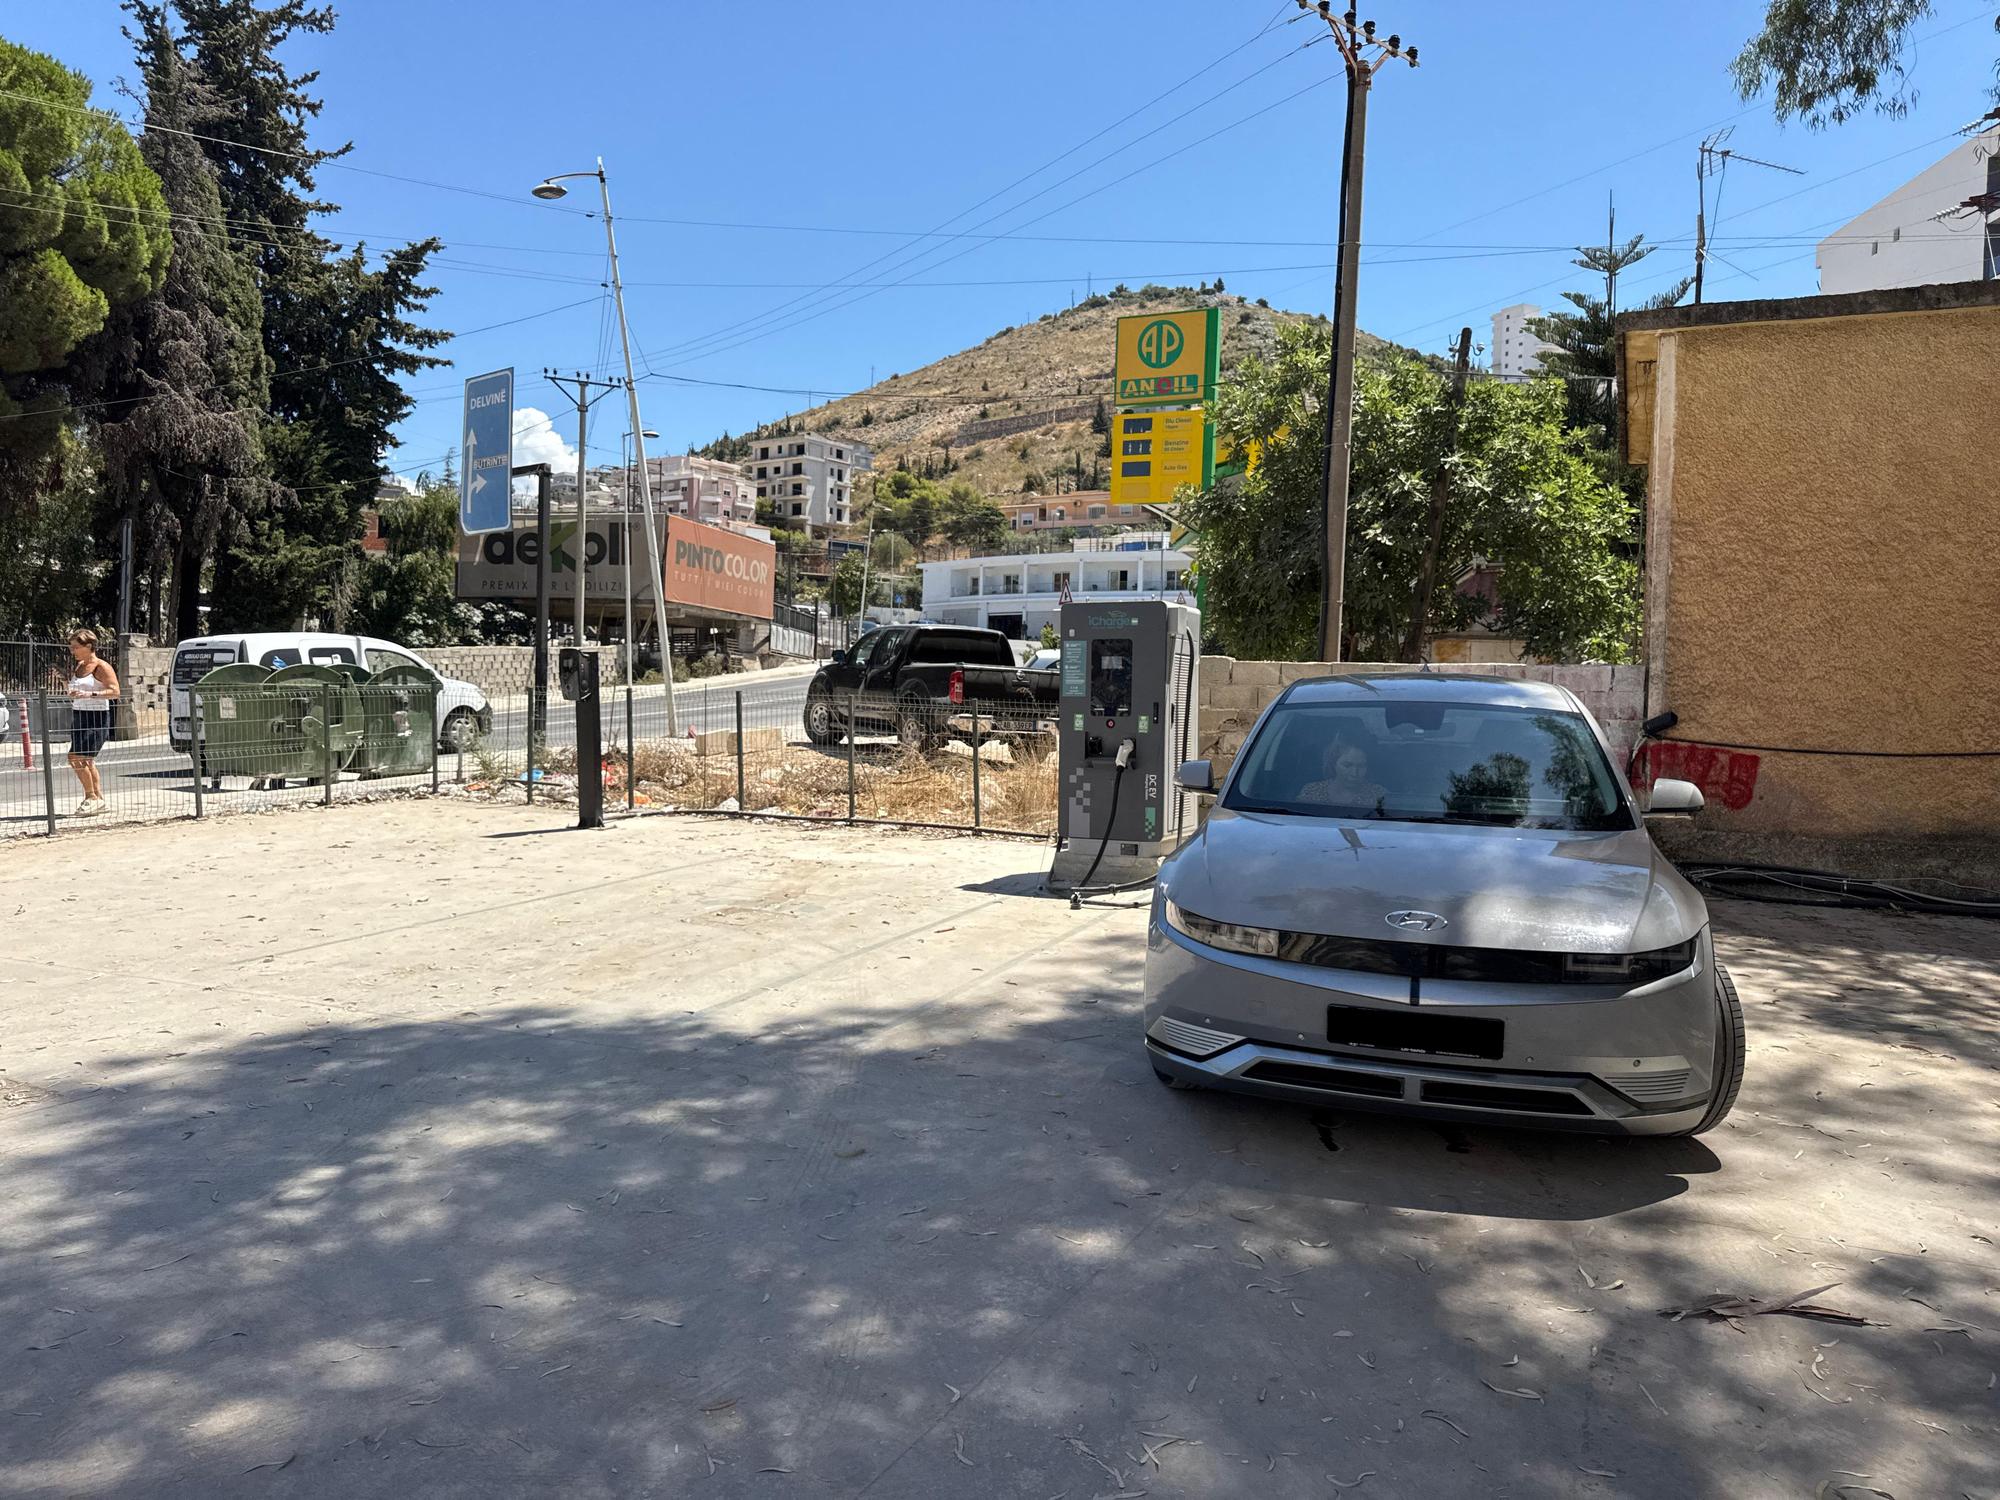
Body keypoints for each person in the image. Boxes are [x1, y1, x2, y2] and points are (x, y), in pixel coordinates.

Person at [54, 629, 119, 816]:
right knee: (86, 760)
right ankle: (98, 799)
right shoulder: (80, 666)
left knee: (75, 758)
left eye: (75, 647)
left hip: (96, 717)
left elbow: (115, 691)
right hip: (79, 715)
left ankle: (91, 797)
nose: (72, 651)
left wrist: (91, 694)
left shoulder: (101, 667)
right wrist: (66, 685)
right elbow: (76, 690)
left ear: (88, 646)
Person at [1300, 738, 1385, 808]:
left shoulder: (1379, 795)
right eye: (1347, 765)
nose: (1354, 773)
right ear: (1333, 764)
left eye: (1361, 766)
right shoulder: (1311, 792)